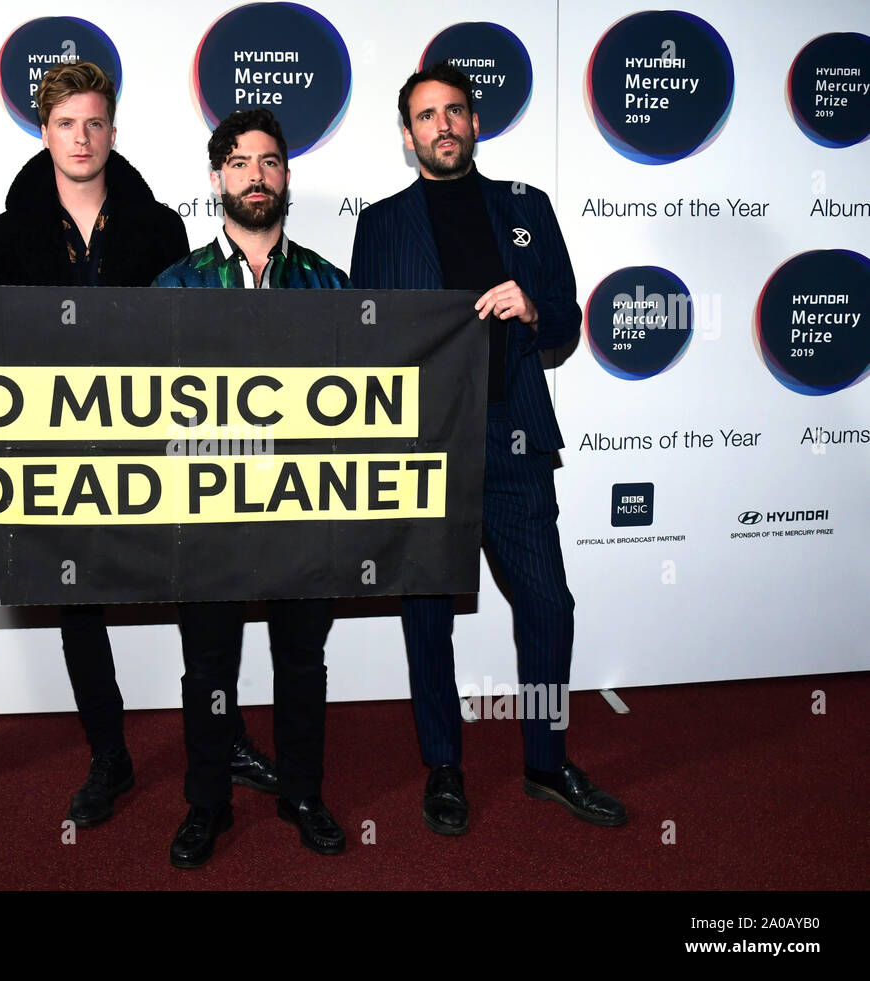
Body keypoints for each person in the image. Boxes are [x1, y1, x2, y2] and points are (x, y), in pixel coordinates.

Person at [0, 62, 279, 830]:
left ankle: (225, 731)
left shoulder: (160, 227)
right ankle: (109, 753)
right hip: (54, 455)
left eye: (95, 122)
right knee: (77, 605)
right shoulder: (3, 236)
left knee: (199, 589)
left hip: (155, 449)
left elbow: (191, 340)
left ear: (112, 129)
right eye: (67, 122)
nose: (82, 137)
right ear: (44, 132)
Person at [350, 63, 626, 835]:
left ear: (474, 123)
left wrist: (533, 306)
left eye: (455, 111)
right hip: (424, 450)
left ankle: (547, 762)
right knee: (426, 615)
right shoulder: (381, 225)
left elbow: (568, 323)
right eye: (426, 116)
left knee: (548, 605)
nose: (443, 125)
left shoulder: (525, 207)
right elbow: (364, 346)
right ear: (408, 137)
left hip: (515, 439)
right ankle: (443, 766)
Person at [154, 109, 350, 867]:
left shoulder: (330, 283)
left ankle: (303, 792)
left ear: (287, 177)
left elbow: (361, 404)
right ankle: (207, 801)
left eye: (270, 162)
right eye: (239, 163)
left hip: (305, 507)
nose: (256, 175)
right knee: (208, 668)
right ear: (216, 180)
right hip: (205, 514)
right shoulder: (176, 286)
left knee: (302, 660)